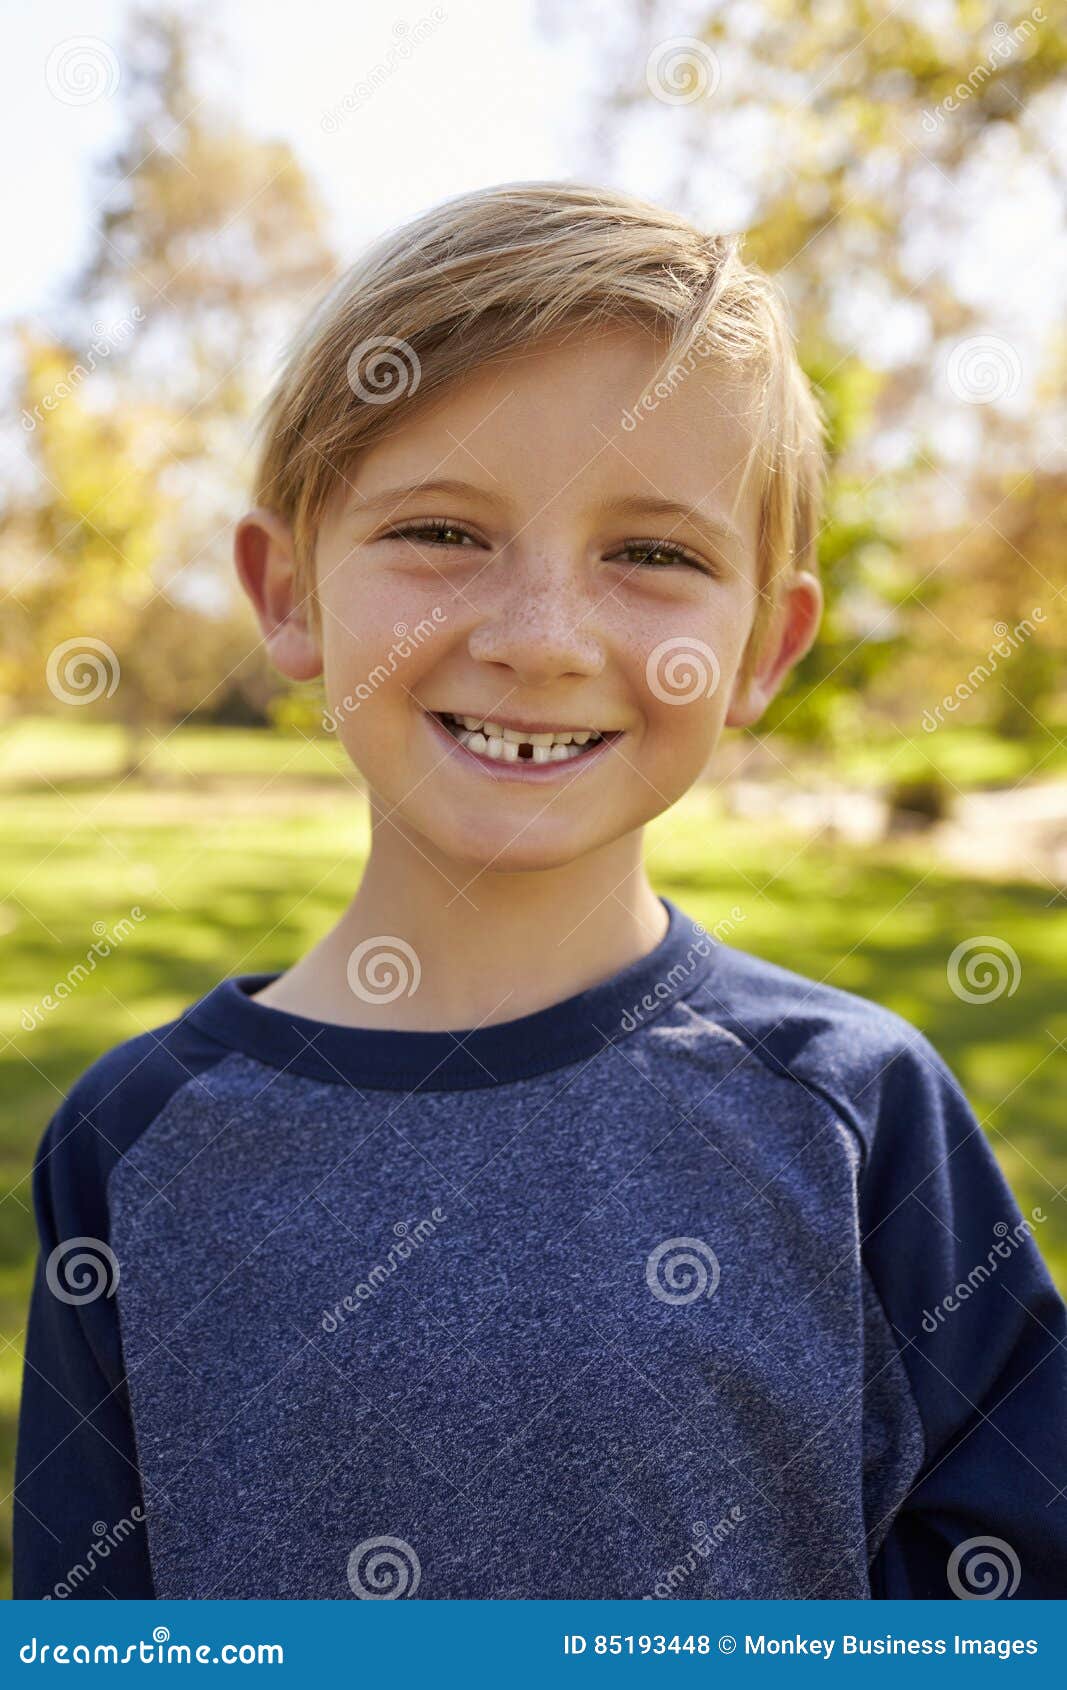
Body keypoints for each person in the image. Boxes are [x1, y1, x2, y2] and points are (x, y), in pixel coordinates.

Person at [14, 181, 1066, 1600]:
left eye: (654, 554)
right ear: (290, 594)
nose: (542, 638)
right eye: (444, 533)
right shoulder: (134, 1142)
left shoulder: (863, 1118)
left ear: (765, 649)